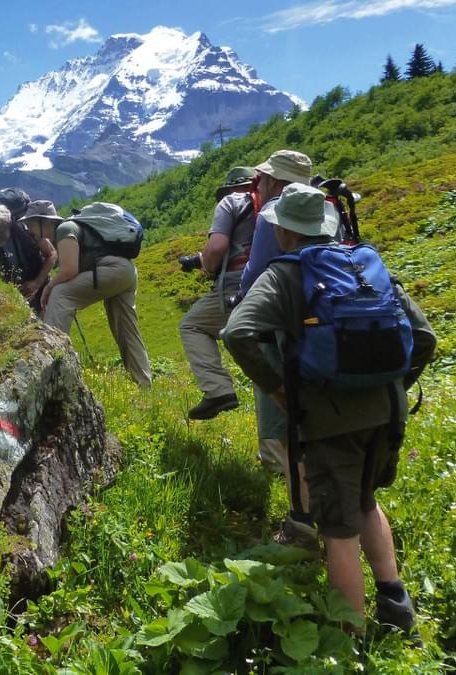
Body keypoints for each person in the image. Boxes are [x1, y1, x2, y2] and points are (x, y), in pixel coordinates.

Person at [222, 183, 436, 634]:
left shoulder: (285, 273)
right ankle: (395, 603)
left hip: (329, 420)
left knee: (338, 531)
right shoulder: (365, 262)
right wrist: (394, 385)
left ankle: (350, 641)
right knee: (364, 500)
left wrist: (279, 390)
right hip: (388, 413)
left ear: (284, 233)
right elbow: (425, 337)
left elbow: (238, 332)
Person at [234, 150, 319, 548]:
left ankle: (302, 521)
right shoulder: (323, 211)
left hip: (277, 330)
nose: (260, 184)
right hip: (320, 334)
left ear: (278, 184)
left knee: (286, 429)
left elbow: (257, 271)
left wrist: (240, 303)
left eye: (265, 178)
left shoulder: (276, 216)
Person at [26, 203, 152, 387]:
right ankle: (144, 385)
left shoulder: (64, 229)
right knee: (126, 328)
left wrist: (48, 287)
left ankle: (50, 366)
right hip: (125, 272)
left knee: (60, 294)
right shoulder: (69, 229)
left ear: (43, 222)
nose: (28, 228)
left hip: (112, 270)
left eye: (30, 223)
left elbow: (69, 270)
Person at [179, 166, 258, 420]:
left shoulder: (231, 202)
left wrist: (207, 264)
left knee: (192, 325)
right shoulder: (274, 203)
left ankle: (218, 391)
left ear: (232, 187)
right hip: (279, 281)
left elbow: (218, 247)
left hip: (238, 285)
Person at [0, 201, 54, 313]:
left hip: (42, 285)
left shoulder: (27, 230)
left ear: (8, 225)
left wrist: (37, 282)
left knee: (52, 323)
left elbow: (51, 254)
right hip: (16, 295)